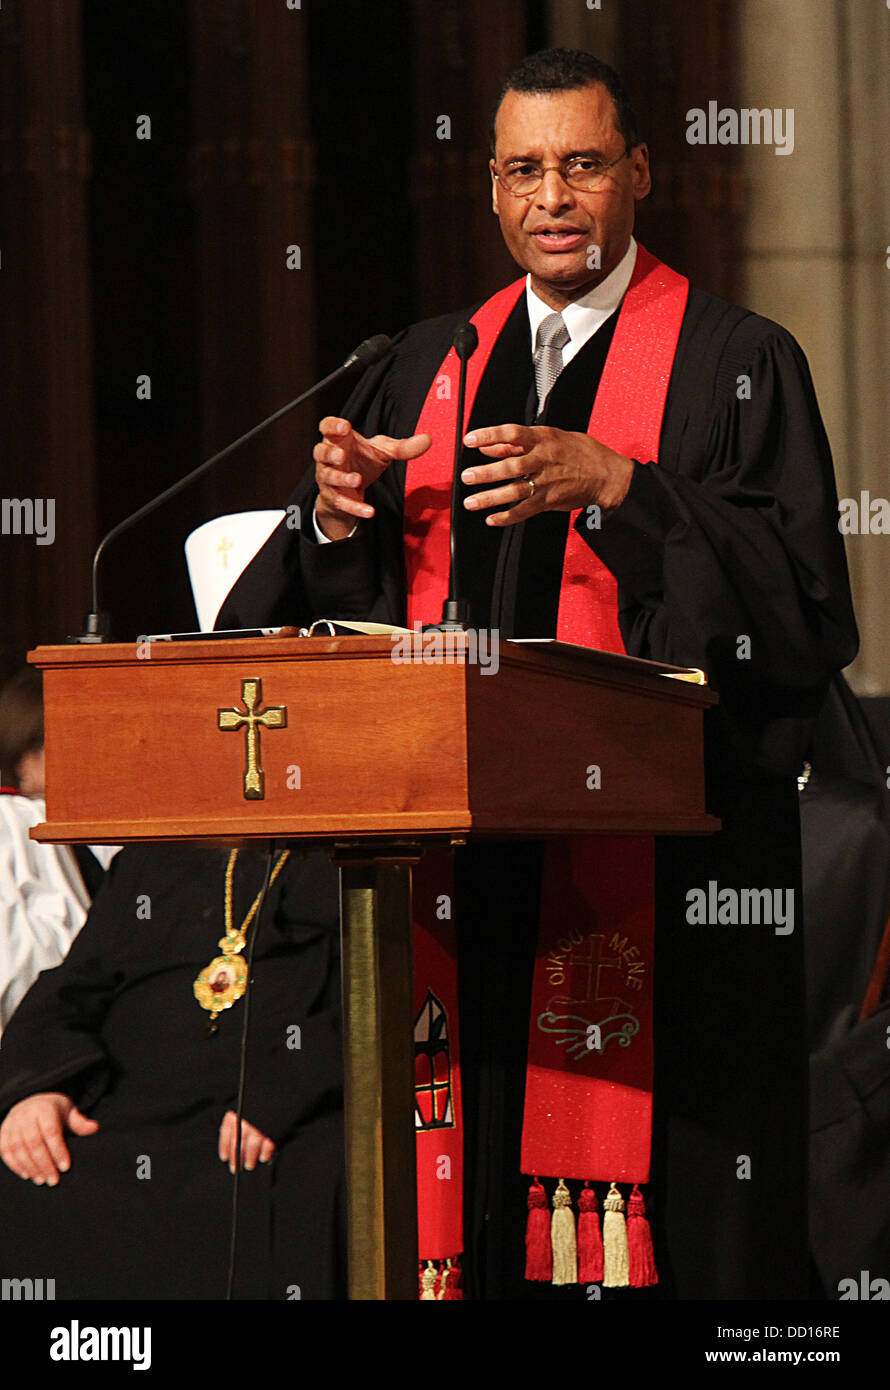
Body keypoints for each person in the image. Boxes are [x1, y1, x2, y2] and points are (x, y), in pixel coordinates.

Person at [216, 49, 858, 1299]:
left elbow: (803, 620)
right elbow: (337, 620)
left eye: (579, 165)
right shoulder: (425, 362)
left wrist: (624, 488)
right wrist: (339, 517)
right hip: (460, 879)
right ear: (492, 193)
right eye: (522, 169)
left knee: (684, 1216)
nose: (551, 195)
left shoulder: (737, 361)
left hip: (671, 886)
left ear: (637, 175)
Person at [0, 841, 345, 1299]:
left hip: (281, 1108)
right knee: (29, 1169)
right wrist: (41, 1087)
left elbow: (371, 991)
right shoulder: (155, 854)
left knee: (311, 1182)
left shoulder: (348, 852)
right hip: (129, 1103)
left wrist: (282, 1090)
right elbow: (77, 982)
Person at [0, 667, 108, 1034]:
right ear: (21, 754)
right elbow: (33, 958)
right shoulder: (15, 822)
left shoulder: (107, 826)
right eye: (71, 739)